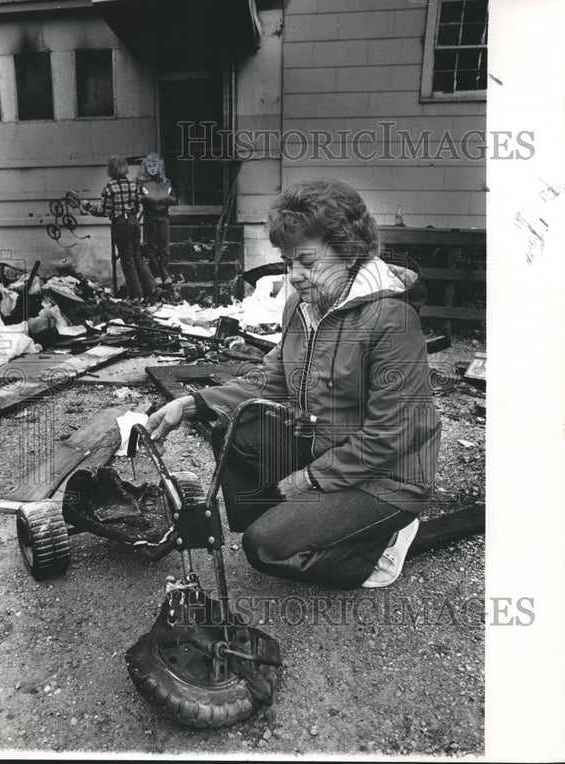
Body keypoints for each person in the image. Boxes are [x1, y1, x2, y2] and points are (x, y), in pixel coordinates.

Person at [146, 178, 441, 590]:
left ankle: (382, 542)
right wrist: (192, 403)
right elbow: (274, 379)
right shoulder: (304, 306)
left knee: (266, 548)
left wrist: (310, 479)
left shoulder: (391, 321)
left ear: (348, 251)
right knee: (236, 430)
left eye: (307, 261)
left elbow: (391, 434)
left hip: (389, 477)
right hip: (331, 448)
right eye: (288, 262)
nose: (295, 276)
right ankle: (307, 524)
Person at [80, 155, 161, 304]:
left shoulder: (109, 188)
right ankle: (153, 289)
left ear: (111, 169)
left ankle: (136, 296)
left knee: (127, 260)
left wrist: (87, 206)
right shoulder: (132, 185)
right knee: (137, 257)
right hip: (134, 221)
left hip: (121, 224)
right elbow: (137, 206)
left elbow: (104, 211)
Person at [136, 153, 178, 284]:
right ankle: (156, 274)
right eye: (149, 166)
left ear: (159, 167)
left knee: (164, 246)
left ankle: (165, 274)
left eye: (155, 165)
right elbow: (140, 199)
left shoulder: (166, 183)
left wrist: (160, 198)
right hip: (150, 217)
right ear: (145, 167)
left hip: (164, 217)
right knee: (151, 246)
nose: (152, 168)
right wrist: (153, 198)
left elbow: (174, 199)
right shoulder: (142, 183)